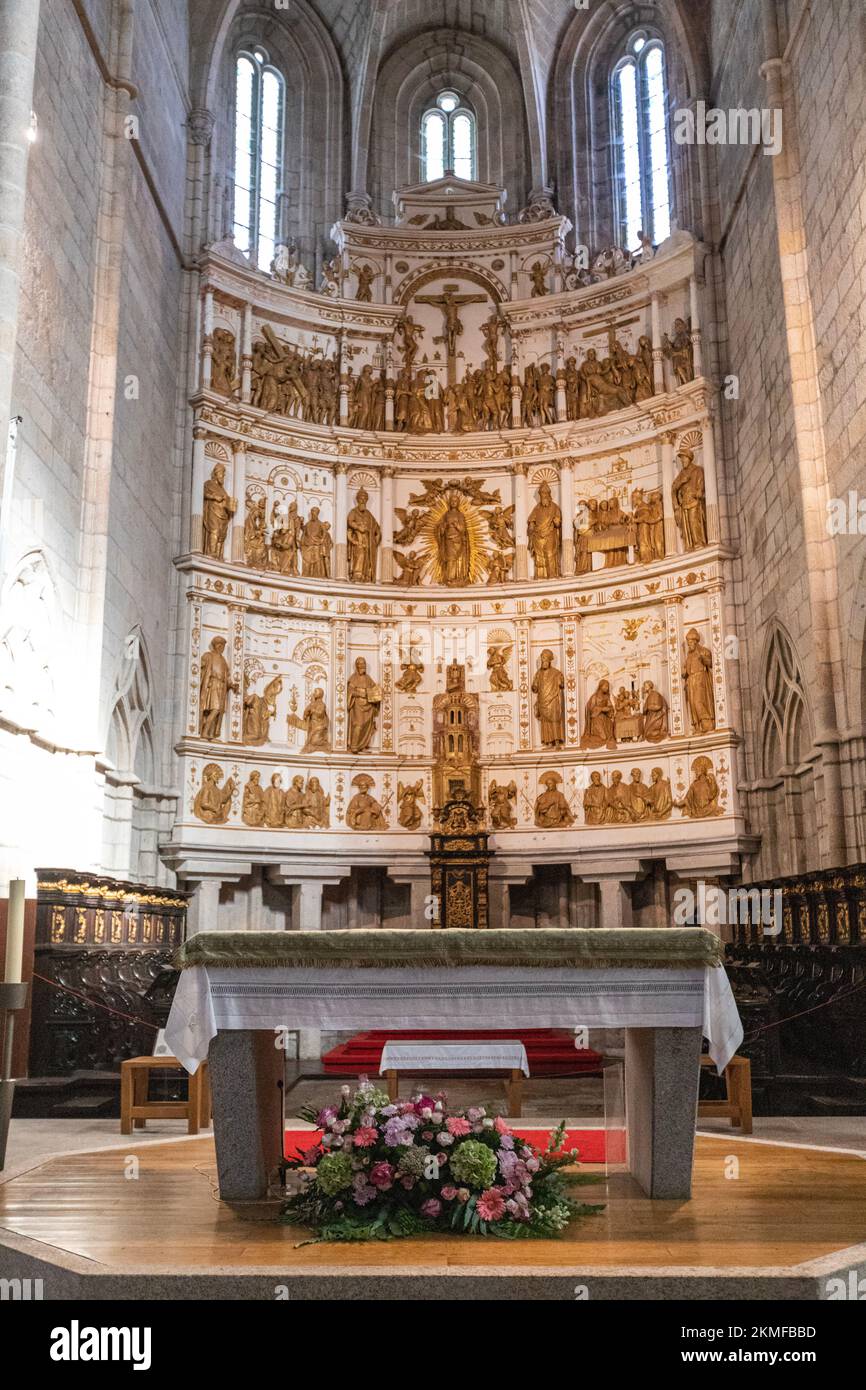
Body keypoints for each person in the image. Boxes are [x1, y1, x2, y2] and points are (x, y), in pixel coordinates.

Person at [531, 649, 565, 745]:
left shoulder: (556, 673)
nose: (544, 662)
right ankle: (548, 741)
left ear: (550, 660)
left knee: (554, 719)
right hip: (542, 700)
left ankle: (557, 740)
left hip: (553, 699)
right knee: (545, 721)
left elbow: (561, 685)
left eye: (545, 660)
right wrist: (534, 687)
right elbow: (535, 687)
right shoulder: (538, 673)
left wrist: (560, 682)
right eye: (542, 660)